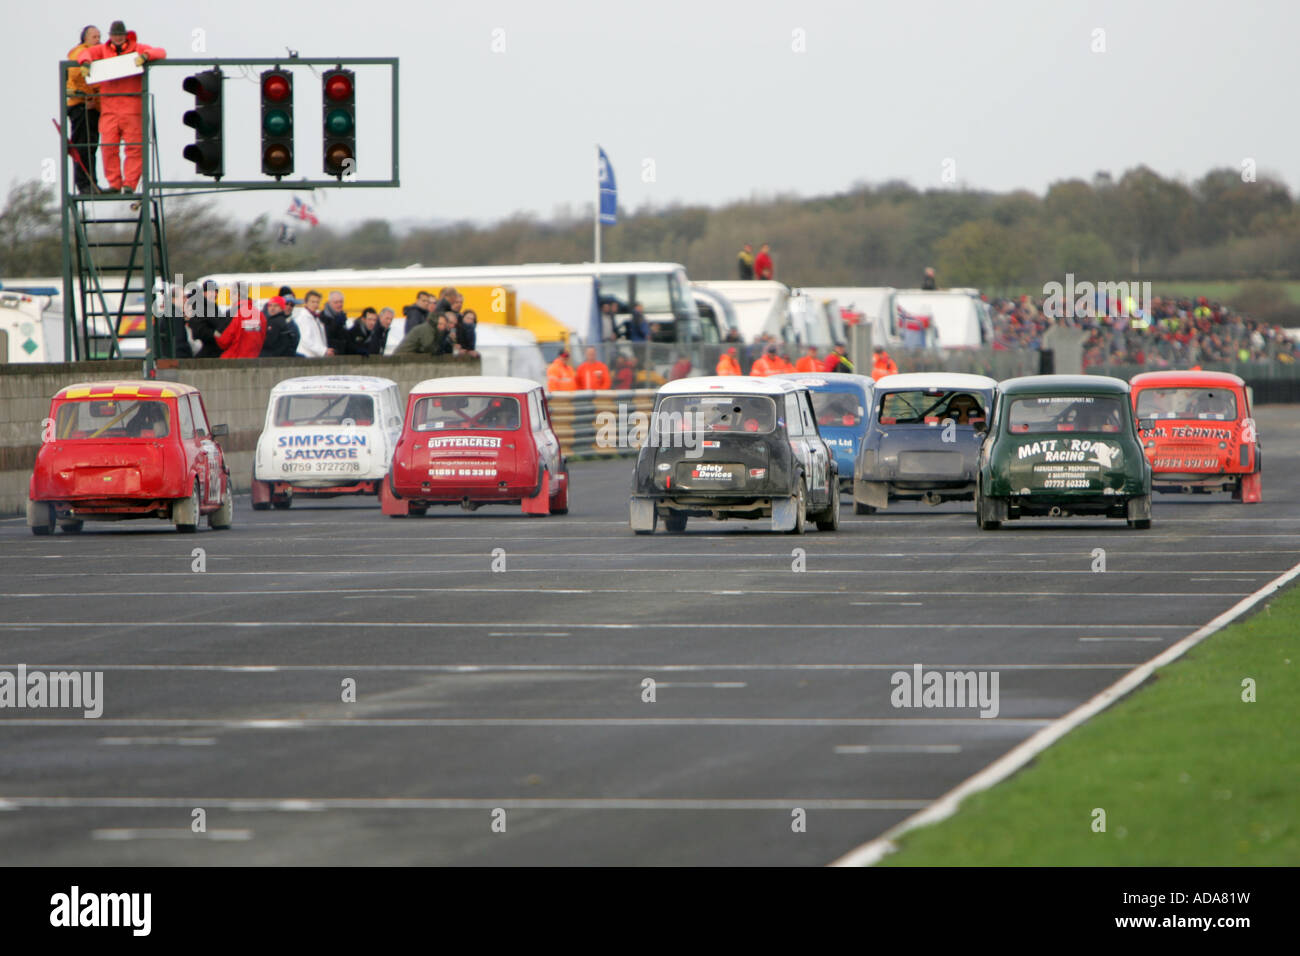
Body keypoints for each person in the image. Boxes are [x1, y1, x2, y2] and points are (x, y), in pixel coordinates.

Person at [76, 21, 166, 194]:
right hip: (109, 107)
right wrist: (86, 62)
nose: (117, 38)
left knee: (134, 147)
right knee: (108, 147)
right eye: (114, 35)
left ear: (125, 35)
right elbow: (85, 52)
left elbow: (160, 52)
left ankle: (129, 184)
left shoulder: (137, 48)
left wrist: (146, 56)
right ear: (110, 36)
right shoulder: (102, 50)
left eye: (120, 35)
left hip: (132, 107)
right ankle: (115, 184)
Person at [66, 26, 103, 194]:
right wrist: (86, 96)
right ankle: (84, 184)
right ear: (85, 38)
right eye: (94, 36)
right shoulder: (80, 53)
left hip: (92, 107)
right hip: (80, 107)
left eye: (99, 36)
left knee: (91, 147)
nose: (98, 39)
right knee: (82, 146)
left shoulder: (98, 54)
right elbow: (77, 77)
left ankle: (91, 183)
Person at [188, 280, 231, 359]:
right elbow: (199, 330)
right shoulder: (199, 308)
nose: (214, 294)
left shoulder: (213, 307)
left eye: (216, 291)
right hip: (206, 351)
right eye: (210, 291)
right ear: (203, 293)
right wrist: (216, 334)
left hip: (215, 350)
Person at [293, 290, 334, 357]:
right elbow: (306, 340)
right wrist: (323, 350)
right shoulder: (303, 319)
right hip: (307, 356)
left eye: (317, 302)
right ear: (306, 302)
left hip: (316, 356)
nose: (315, 304)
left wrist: (324, 350)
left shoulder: (316, 318)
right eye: (312, 302)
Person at [160, 285, 193, 358]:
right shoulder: (175, 316)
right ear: (173, 300)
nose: (186, 300)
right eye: (183, 297)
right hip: (176, 361)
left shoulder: (170, 313)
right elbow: (179, 343)